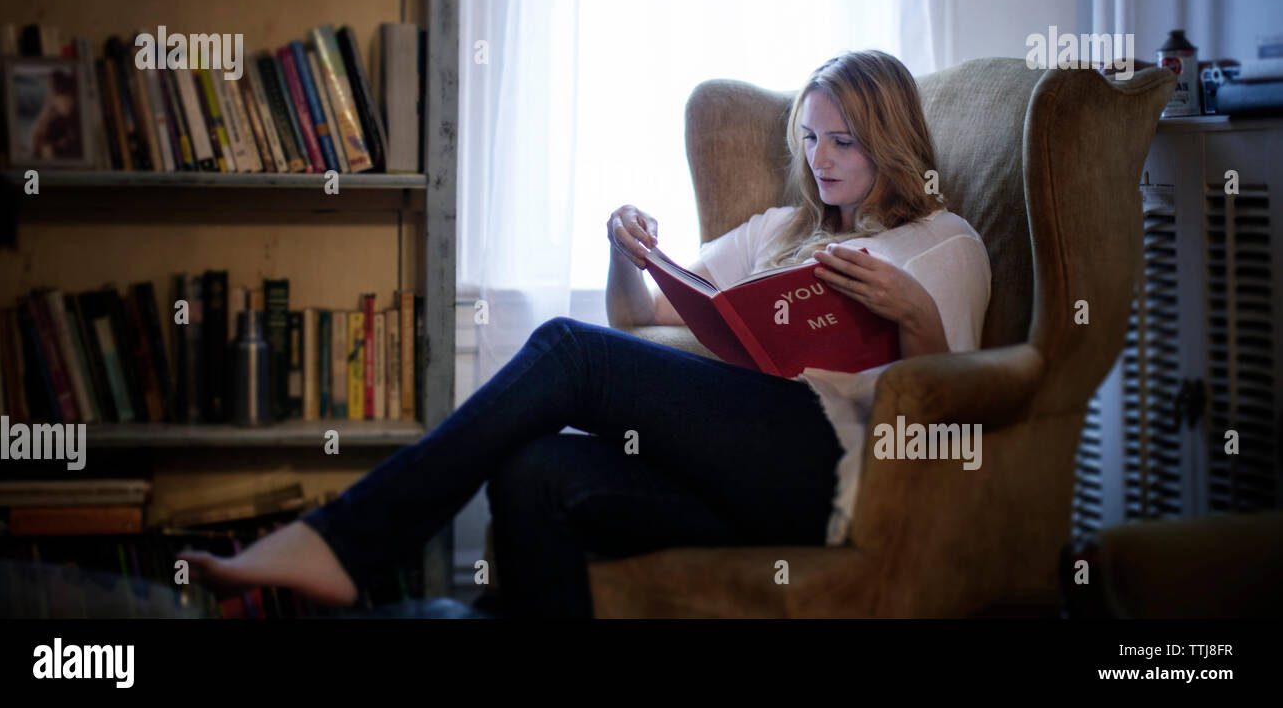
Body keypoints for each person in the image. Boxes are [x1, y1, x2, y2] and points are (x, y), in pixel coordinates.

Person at [178, 49, 991, 617]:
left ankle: (343, 542)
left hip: (835, 480)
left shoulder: (945, 242)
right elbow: (638, 317)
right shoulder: (777, 231)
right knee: (536, 469)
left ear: (890, 138)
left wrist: (913, 315)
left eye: (843, 141)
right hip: (738, 477)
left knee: (568, 352)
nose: (820, 158)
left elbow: (949, 421)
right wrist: (624, 254)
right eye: (810, 138)